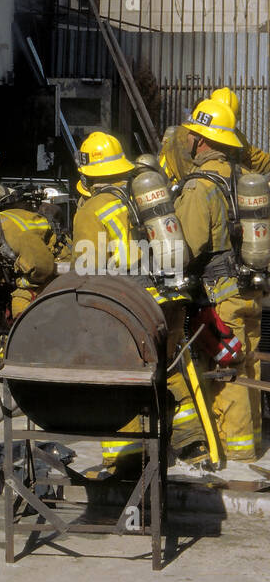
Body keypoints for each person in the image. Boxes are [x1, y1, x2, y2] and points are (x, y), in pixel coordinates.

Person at [72, 131, 204, 471]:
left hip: (129, 306)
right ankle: (191, 442)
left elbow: (90, 269)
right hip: (168, 297)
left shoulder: (92, 210)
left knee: (117, 375)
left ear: (87, 173)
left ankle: (126, 459)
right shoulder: (144, 193)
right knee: (169, 367)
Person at [174, 97, 264, 465]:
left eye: (194, 135)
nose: (190, 141)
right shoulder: (245, 179)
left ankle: (234, 451)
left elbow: (186, 248)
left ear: (203, 141)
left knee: (224, 373)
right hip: (249, 290)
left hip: (219, 296)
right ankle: (252, 442)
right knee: (248, 365)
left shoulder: (200, 188)